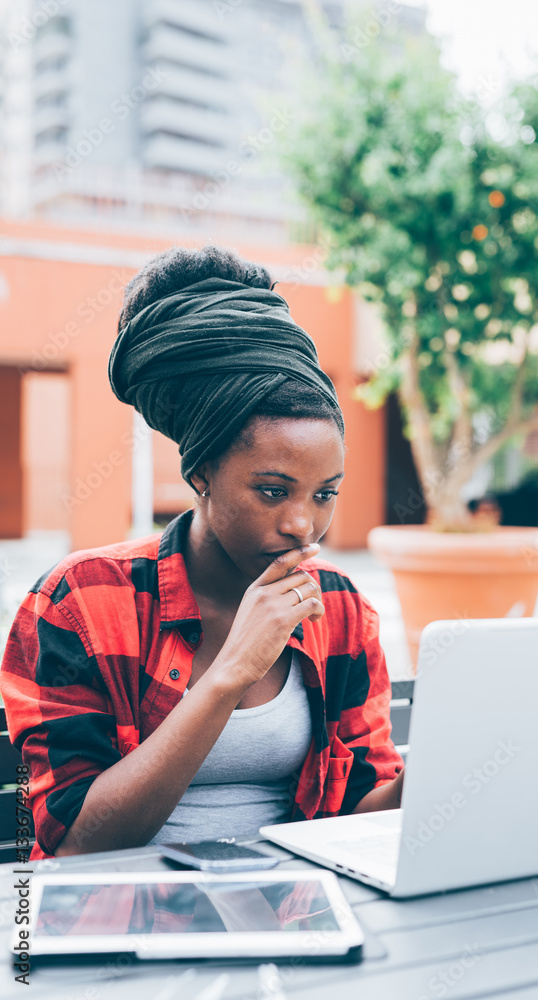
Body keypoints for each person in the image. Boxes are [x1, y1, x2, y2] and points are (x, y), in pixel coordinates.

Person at [0, 246, 404, 859]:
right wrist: (231, 672)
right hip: (117, 917)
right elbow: (77, 842)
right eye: (272, 491)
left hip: (297, 910)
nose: (303, 525)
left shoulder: (341, 608)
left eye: (325, 494)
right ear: (201, 474)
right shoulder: (81, 601)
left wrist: (440, 780)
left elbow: (358, 811)